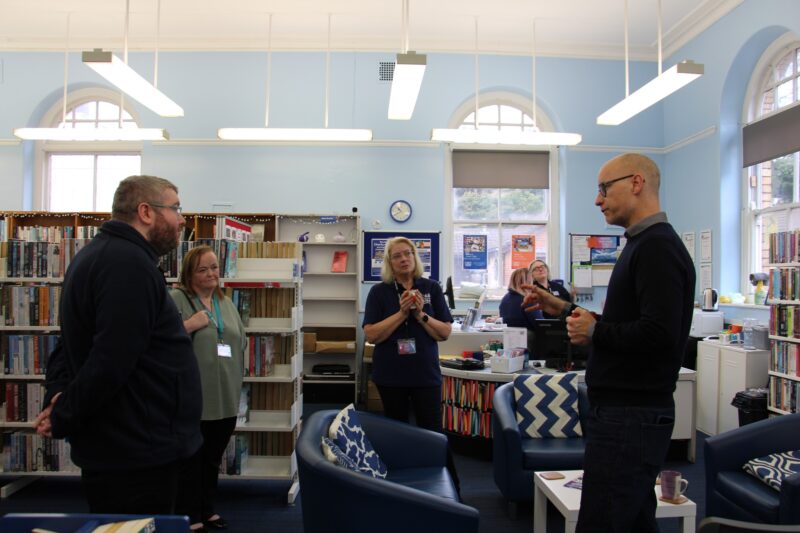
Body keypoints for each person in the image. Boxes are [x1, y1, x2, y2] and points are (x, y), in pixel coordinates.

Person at [522, 153, 695, 532]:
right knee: (631, 520)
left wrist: (596, 333)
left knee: (604, 521)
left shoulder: (656, 248)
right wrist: (563, 307)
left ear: (636, 183)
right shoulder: (641, 244)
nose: (597, 200)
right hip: (625, 414)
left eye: (603, 189)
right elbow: (631, 324)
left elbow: (659, 335)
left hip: (630, 416)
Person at [33, 175, 202, 515]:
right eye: (175, 208)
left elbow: (71, 344)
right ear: (146, 212)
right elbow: (111, 359)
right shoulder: (127, 265)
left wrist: (60, 396)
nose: (182, 219)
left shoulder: (100, 255)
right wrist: (64, 413)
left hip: (128, 444)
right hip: (135, 450)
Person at [171, 246, 246, 532]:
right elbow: (159, 339)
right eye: (203, 269)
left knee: (212, 458)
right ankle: (190, 516)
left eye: (214, 267)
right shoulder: (177, 298)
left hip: (225, 394)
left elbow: (240, 339)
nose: (211, 273)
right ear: (189, 274)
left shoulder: (224, 301)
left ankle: (207, 509)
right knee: (191, 461)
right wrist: (189, 325)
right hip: (193, 396)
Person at [363, 237, 453, 430]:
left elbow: (444, 333)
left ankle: (435, 462)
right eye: (397, 256)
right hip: (391, 375)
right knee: (397, 431)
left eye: (408, 253)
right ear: (389, 262)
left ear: (414, 256)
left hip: (425, 374)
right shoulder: (379, 292)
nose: (404, 259)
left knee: (432, 430)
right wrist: (402, 313)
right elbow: (371, 335)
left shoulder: (431, 287)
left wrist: (421, 315)